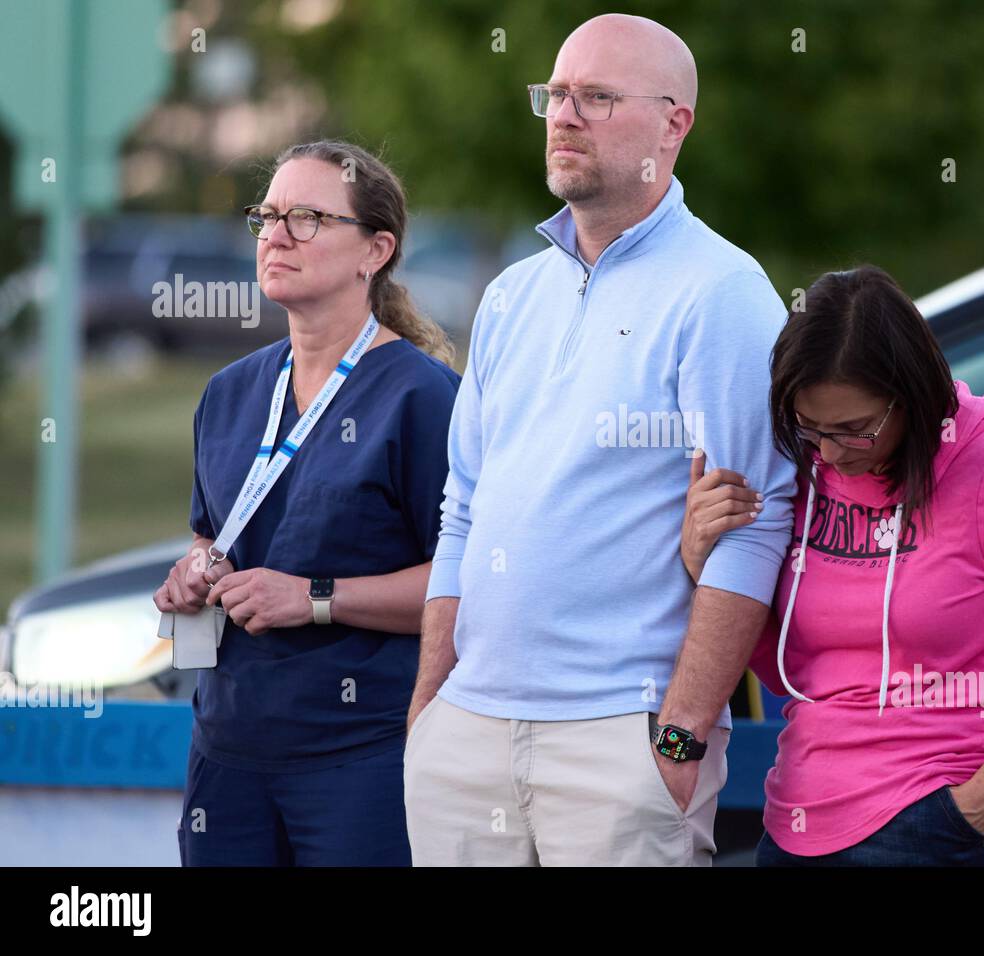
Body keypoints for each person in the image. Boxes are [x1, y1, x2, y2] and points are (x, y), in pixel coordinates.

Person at [403, 14, 797, 866]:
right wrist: (431, 703)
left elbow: (757, 526)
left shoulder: (722, 292)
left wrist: (681, 739)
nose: (564, 114)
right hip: (466, 737)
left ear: (674, 123)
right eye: (555, 93)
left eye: (597, 97)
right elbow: (462, 509)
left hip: (622, 736)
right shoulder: (511, 295)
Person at [681, 264, 984, 866]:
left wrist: (972, 811)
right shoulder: (801, 475)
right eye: (811, 429)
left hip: (956, 828)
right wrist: (704, 563)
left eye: (856, 430)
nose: (831, 453)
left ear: (911, 395)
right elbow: (792, 669)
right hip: (797, 826)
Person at [154, 140, 459, 866]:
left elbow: (464, 584)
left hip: (359, 755)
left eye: (308, 217)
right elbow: (211, 533)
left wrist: (315, 597)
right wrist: (191, 572)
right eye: (267, 215)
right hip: (228, 750)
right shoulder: (230, 391)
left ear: (374, 251)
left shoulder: (422, 398)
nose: (276, 234)